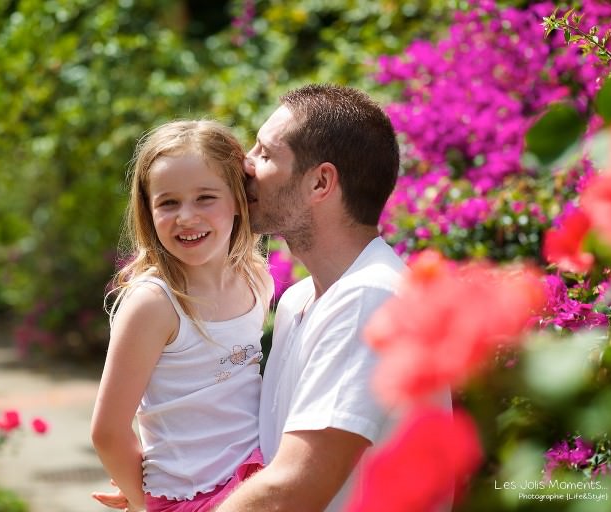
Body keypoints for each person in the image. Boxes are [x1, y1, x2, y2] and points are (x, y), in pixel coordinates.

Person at [216, 84, 437, 512]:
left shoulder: (371, 299)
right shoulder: (299, 301)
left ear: (320, 182)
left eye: (264, 153)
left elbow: (294, 489)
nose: (244, 164)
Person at [90, 119, 274, 512]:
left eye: (205, 197)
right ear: (148, 211)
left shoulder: (256, 278)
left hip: (257, 478)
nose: (186, 216)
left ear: (239, 201)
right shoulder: (154, 303)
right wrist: (148, 501)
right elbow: (108, 431)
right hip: (191, 498)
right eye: (168, 202)